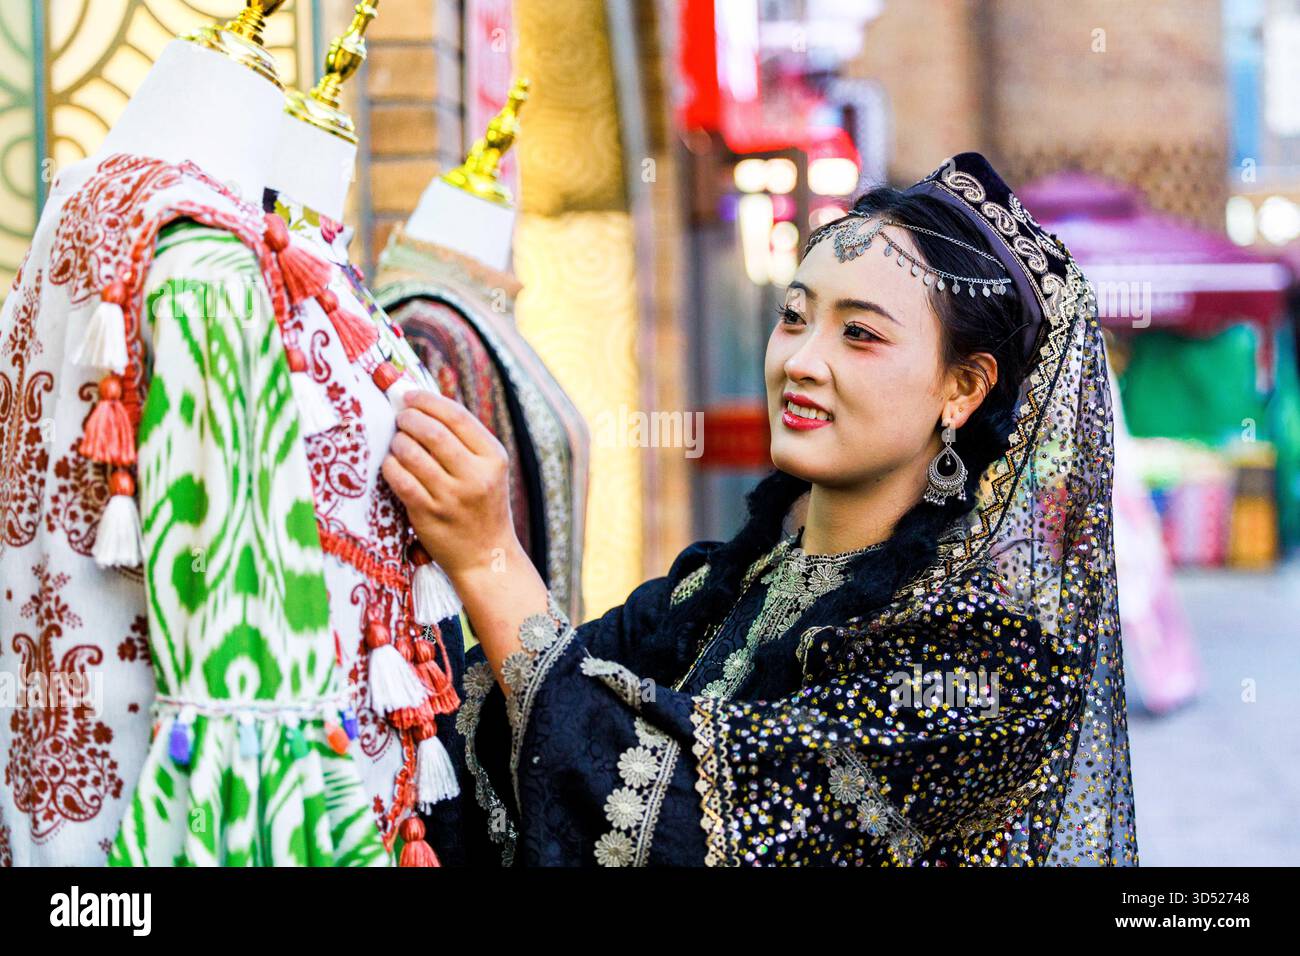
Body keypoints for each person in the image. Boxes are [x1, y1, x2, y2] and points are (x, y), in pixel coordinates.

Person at [381, 152, 1138, 866]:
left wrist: (490, 560)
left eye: (861, 334)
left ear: (962, 388)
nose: (802, 362)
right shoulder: (719, 589)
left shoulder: (989, 663)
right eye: (795, 316)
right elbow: (510, 722)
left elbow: (691, 822)